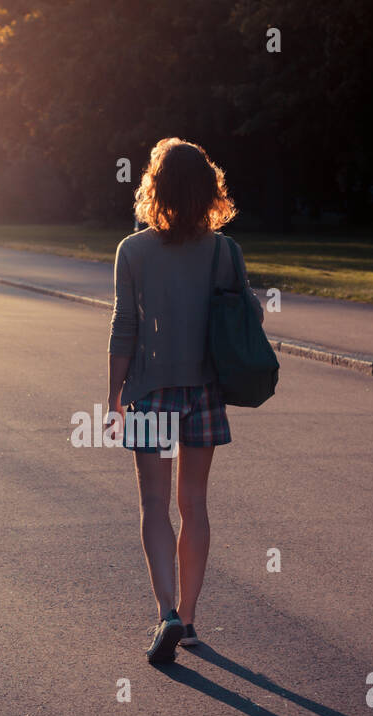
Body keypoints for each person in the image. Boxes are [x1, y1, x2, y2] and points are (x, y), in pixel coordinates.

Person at [107, 137, 263, 665]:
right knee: (193, 504)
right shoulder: (224, 251)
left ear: (156, 188)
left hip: (150, 394)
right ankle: (191, 621)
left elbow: (124, 326)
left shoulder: (132, 250)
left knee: (154, 505)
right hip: (205, 393)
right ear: (209, 190)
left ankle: (166, 612)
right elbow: (247, 320)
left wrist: (113, 396)